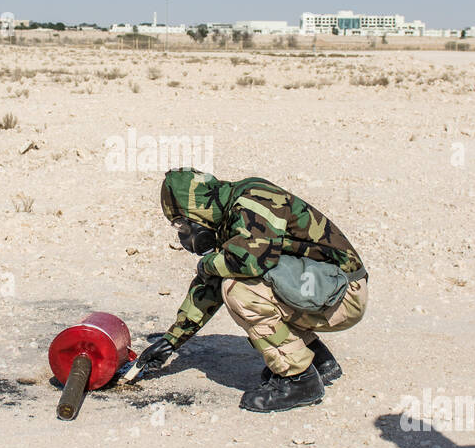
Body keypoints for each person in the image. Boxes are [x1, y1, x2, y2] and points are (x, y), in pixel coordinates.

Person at [135, 169, 367, 413]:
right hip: (324, 288)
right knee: (239, 281)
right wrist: (171, 341)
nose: (183, 233)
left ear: (197, 209)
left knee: (238, 290)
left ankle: (298, 380)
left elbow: (250, 262)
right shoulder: (229, 215)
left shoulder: (253, 201)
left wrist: (208, 263)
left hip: (344, 295)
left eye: (182, 224)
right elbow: (210, 286)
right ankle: (317, 359)